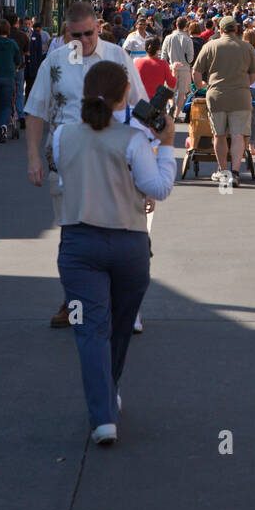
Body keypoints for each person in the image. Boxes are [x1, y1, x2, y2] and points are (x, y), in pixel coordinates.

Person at [54, 60, 176, 446]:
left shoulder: (62, 135)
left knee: (90, 331)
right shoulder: (134, 139)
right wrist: (167, 145)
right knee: (121, 327)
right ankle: (110, 393)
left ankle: (103, 415)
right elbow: (158, 188)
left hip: (78, 242)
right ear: (125, 96)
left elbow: (67, 179)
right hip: (129, 242)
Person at [25, 1, 149, 327]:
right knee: (73, 235)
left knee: (122, 231)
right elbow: (35, 110)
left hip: (115, 162)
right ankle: (75, 304)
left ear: (98, 26)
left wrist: (147, 164)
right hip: (66, 163)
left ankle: (126, 306)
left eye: (89, 33)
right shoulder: (55, 62)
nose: (83, 41)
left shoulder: (117, 57)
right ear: (67, 32)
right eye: (76, 35)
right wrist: (33, 157)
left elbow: (140, 107)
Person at [192, 16, 255, 187]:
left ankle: (223, 171)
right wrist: (243, 84)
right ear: (235, 30)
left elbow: (196, 72)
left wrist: (202, 86)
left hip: (217, 95)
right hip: (240, 96)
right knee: (237, 135)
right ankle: (235, 172)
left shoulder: (210, 46)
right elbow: (254, 74)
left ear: (220, 30)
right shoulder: (247, 47)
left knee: (219, 134)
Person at [161, 16, 194, 118]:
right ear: (185, 26)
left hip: (172, 67)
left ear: (176, 25)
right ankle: (176, 115)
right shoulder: (188, 39)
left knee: (171, 91)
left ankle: (171, 106)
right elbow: (190, 58)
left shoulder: (168, 38)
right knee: (182, 93)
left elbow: (163, 56)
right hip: (184, 68)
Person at [5, 11, 30, 128]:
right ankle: (21, 115)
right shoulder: (22, 35)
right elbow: (27, 52)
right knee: (19, 92)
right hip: (19, 67)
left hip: (6, 68)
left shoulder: (4, 36)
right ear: (16, 22)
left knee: (7, 92)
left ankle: (9, 115)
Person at [137, 36, 176, 100]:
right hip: (156, 102)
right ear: (158, 48)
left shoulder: (137, 62)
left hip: (140, 101)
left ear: (145, 48)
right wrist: (174, 70)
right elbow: (172, 84)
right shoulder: (163, 64)